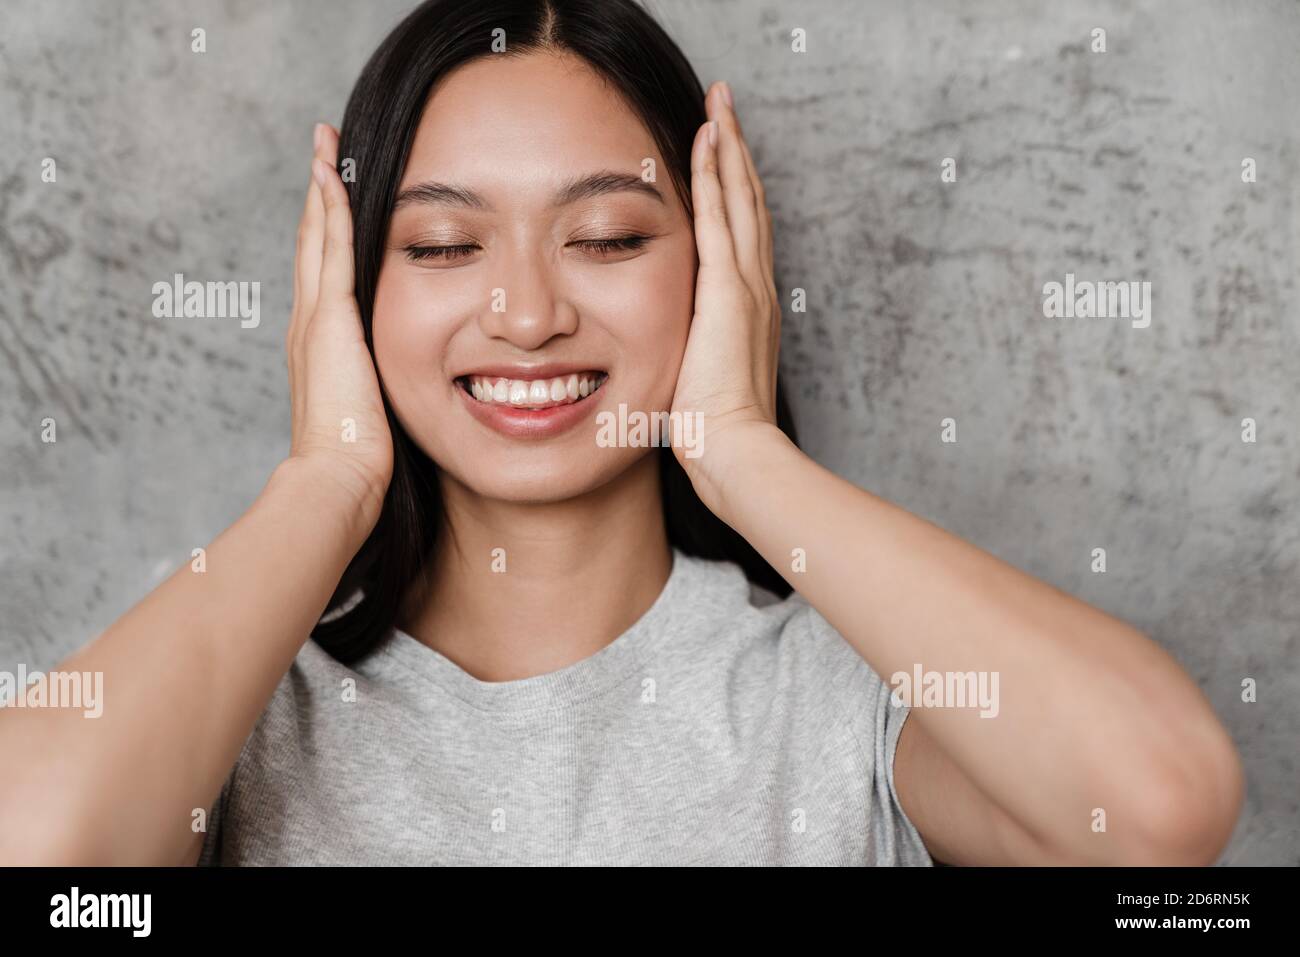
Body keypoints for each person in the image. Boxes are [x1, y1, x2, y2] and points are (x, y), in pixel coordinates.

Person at [0, 0, 1243, 866]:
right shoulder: (224, 708)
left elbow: (1159, 810)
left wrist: (744, 454)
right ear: (351, 292)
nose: (530, 313)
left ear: (715, 272)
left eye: (606, 238)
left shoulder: (856, 695)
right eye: (441, 246)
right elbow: (37, 852)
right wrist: (326, 478)